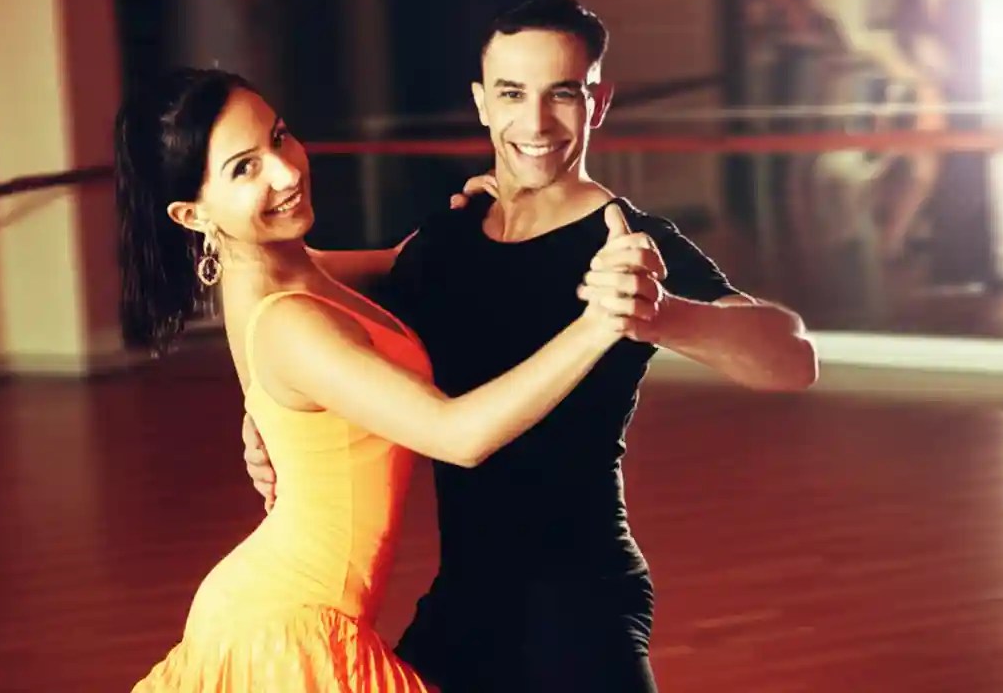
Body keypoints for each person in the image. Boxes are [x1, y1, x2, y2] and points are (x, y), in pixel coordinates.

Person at [245, 0, 819, 693]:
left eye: (563, 94)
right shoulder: (450, 235)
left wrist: (658, 315)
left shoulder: (630, 241)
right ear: (483, 102)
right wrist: (265, 414)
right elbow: (309, 309)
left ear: (597, 102)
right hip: (463, 597)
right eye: (514, 94)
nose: (537, 122)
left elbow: (792, 357)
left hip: (584, 592)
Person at [115, 66, 665, 692]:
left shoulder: (285, 268)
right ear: (191, 214)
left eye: (280, 136)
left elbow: (405, 263)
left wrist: (483, 208)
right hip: (292, 630)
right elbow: (457, 435)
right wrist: (600, 324)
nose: (287, 171)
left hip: (283, 605)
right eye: (245, 168)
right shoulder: (289, 320)